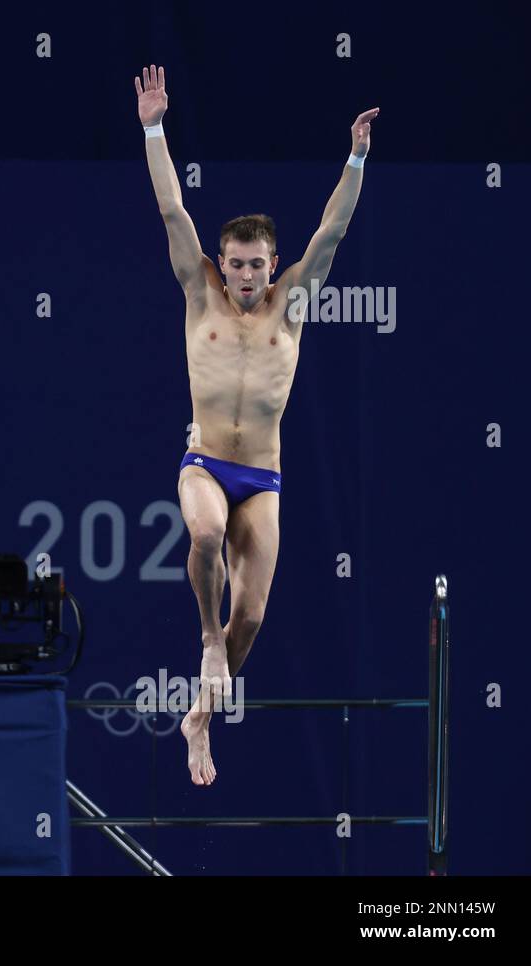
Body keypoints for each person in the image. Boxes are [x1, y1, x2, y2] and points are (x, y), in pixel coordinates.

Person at [135, 64, 378, 783]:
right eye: (234, 263)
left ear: (274, 266)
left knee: (255, 619)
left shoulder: (290, 304)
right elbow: (173, 211)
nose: (243, 276)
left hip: (264, 477)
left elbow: (332, 230)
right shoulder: (200, 294)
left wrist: (356, 157)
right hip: (206, 463)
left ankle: (200, 718)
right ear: (223, 262)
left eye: (255, 266)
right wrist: (153, 127)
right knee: (206, 534)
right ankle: (208, 642)